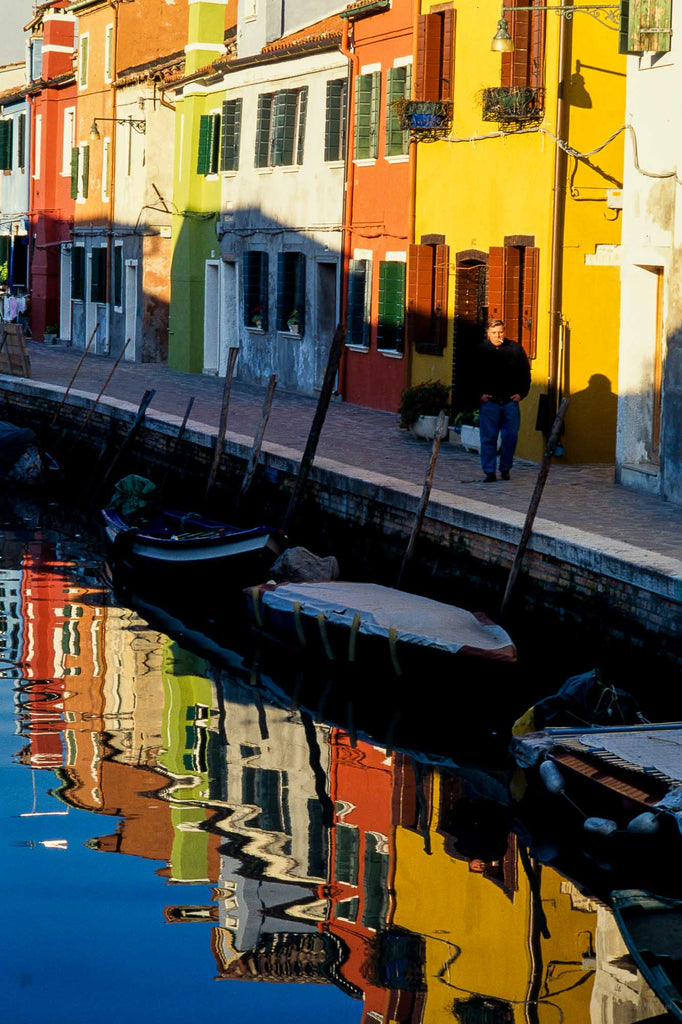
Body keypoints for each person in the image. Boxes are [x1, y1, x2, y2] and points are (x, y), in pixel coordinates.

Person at [475, 318, 531, 482]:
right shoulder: (480, 350)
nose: (497, 336)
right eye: (494, 333)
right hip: (489, 402)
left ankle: (505, 468)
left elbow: (525, 373)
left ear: (504, 333)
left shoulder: (515, 349)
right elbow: (470, 374)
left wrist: (521, 393)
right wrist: (479, 394)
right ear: (488, 333)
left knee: (510, 437)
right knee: (488, 438)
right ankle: (489, 471)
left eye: (500, 332)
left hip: (510, 402)